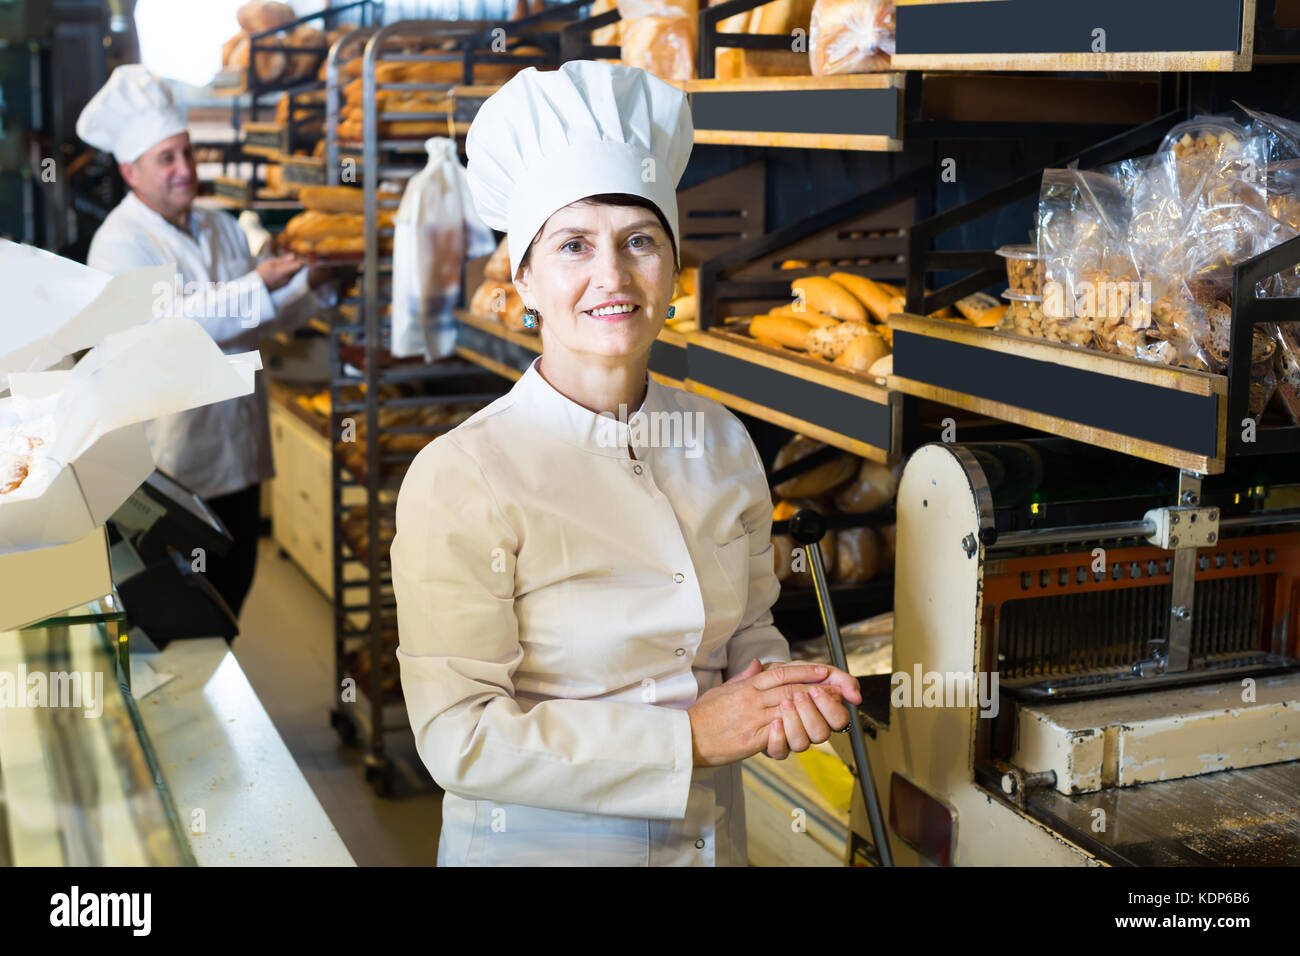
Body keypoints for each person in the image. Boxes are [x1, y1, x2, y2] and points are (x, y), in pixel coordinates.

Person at [391, 60, 861, 867]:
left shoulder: (721, 440)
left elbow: (748, 630)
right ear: (525, 277)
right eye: (574, 244)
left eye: (638, 241)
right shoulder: (462, 475)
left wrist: (778, 693)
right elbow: (458, 734)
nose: (611, 275)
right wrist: (686, 739)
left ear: (671, 269)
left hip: (711, 845)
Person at [77, 65, 337, 622]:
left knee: (231, 593)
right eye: (166, 158)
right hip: (172, 469)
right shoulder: (118, 245)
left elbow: (250, 323)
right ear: (130, 171)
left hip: (237, 453)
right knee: (179, 614)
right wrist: (258, 284)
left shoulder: (219, 227)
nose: (184, 170)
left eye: (187, 154)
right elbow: (164, 331)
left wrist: (305, 288)